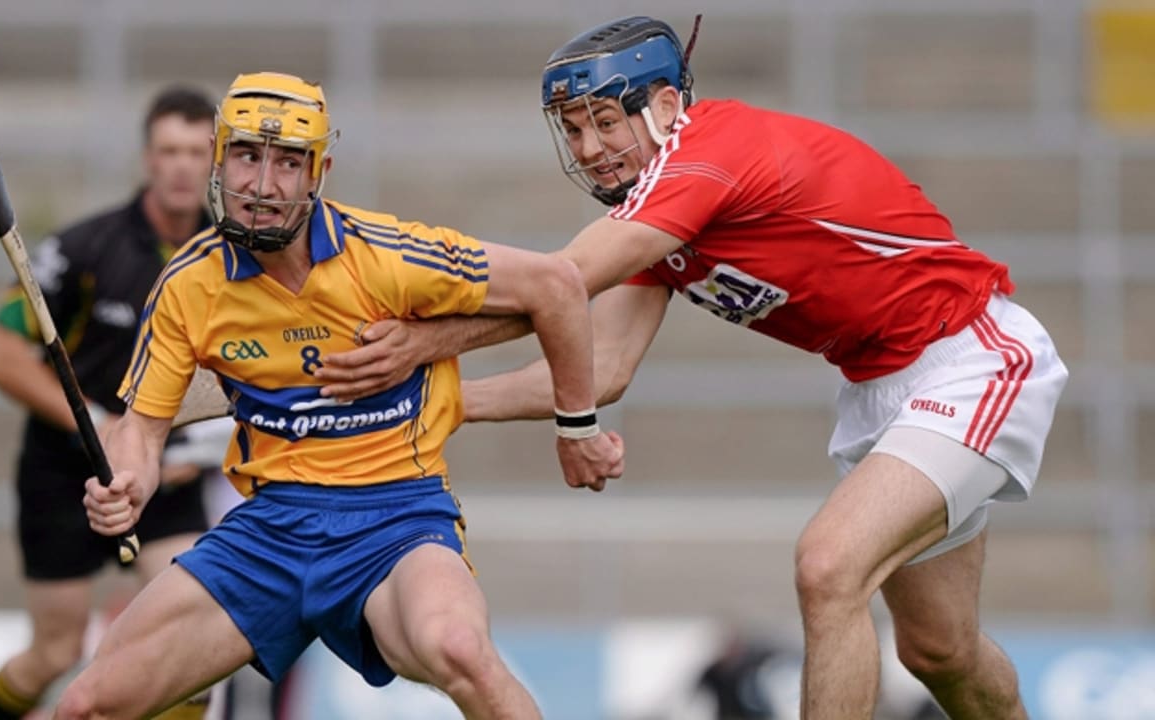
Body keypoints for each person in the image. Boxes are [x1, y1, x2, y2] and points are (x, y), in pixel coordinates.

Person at [313, 16, 1070, 720]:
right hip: (881, 386)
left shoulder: (709, 155)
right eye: (573, 128)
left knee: (828, 567)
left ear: (668, 105)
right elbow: (601, 367)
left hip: (969, 355)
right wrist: (441, 399)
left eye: (605, 120)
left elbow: (560, 283)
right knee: (940, 651)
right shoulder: (660, 214)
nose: (588, 147)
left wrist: (421, 344)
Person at [53, 71, 623, 720]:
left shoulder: (387, 255)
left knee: (460, 649)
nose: (262, 185)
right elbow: (143, 428)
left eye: (287, 163)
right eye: (246, 156)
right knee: (87, 706)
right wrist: (129, 479)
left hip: (396, 519)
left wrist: (577, 429)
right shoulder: (188, 285)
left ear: (318, 172)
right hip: (269, 530)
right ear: (218, 159)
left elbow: (556, 286)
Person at [0, 86, 218, 720]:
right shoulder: (84, 249)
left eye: (197, 152)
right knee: (54, 652)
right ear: (147, 158)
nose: (183, 166)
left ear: (216, 161)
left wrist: (197, 444)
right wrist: (106, 426)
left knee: (195, 650)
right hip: (64, 475)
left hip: (167, 479)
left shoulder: (231, 260)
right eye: (169, 150)